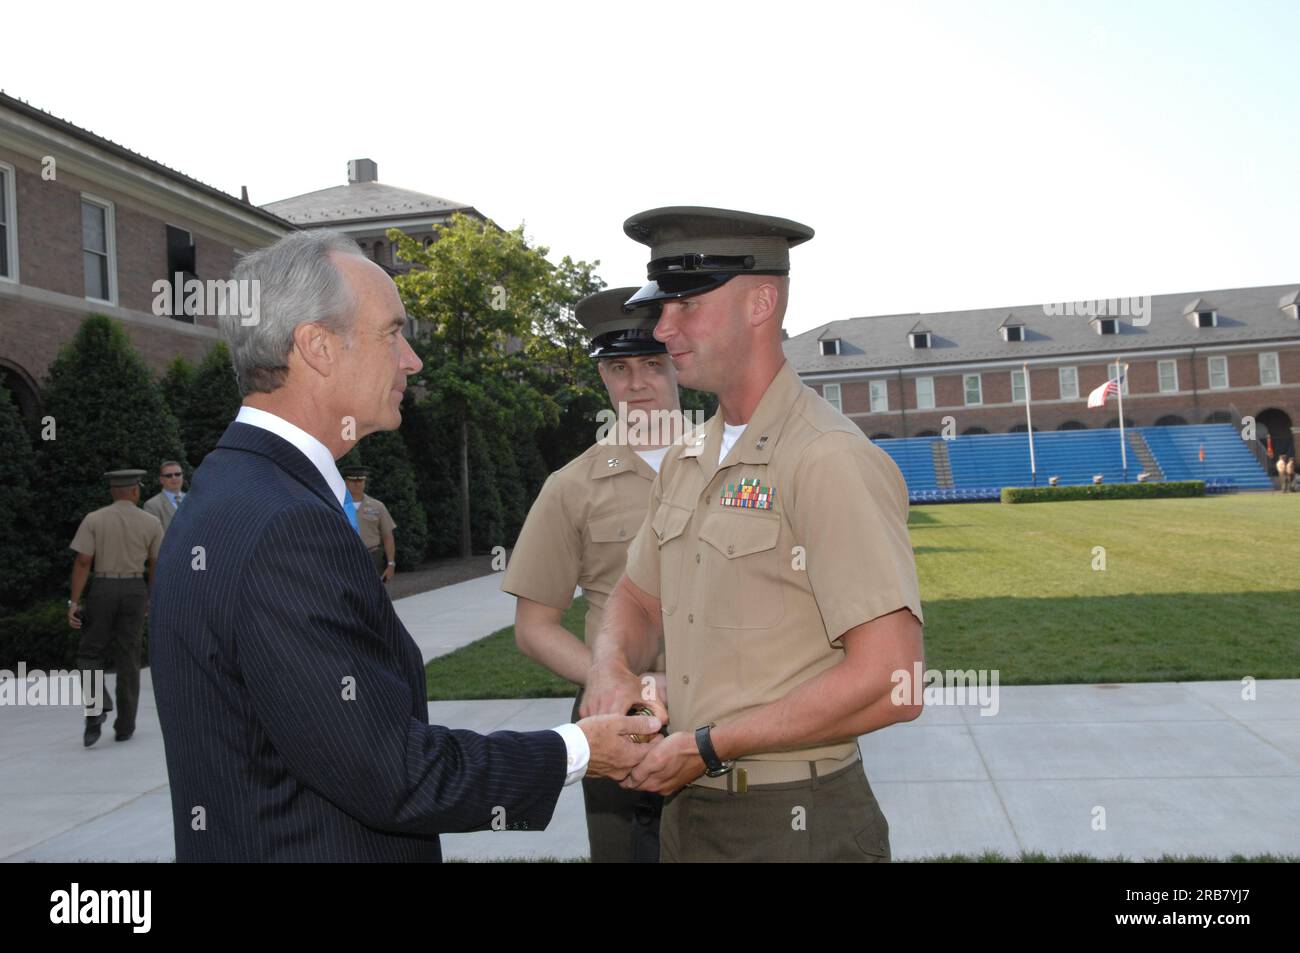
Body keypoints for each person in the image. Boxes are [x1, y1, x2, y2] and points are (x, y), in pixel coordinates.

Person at [149, 230, 659, 862]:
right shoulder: (284, 524)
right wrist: (581, 748)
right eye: (392, 334)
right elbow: (393, 772)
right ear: (317, 346)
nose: (412, 360)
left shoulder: (237, 487)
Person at [582, 207, 926, 862]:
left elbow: (893, 678)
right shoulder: (687, 458)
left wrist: (709, 743)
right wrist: (611, 666)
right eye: (661, 308)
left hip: (795, 820)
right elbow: (636, 597)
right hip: (689, 806)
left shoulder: (824, 457)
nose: (663, 328)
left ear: (761, 302)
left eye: (686, 306)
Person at [501, 286, 685, 862]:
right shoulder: (571, 488)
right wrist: (617, 683)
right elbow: (534, 626)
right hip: (620, 724)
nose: (637, 383)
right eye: (618, 367)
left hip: (728, 708)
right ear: (603, 377)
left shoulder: (734, 466)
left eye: (653, 363)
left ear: (679, 360)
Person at [67, 468, 163, 746]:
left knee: (89, 652)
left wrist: (74, 602)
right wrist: (150, 596)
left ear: (112, 491)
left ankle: (96, 708)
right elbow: (156, 563)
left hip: (103, 587)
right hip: (134, 588)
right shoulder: (151, 522)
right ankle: (125, 726)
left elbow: (84, 561)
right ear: (135, 491)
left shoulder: (94, 519)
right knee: (129, 656)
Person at [342, 465, 397, 581]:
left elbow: (387, 536)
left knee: (373, 594)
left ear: (365, 482)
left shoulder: (377, 506)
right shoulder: (338, 506)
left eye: (360, 480)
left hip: (372, 556)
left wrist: (391, 563)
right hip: (346, 557)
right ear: (346, 482)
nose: (357, 484)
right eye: (352, 481)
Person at [142, 460, 185, 533]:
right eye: (169, 475)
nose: (174, 478)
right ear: (161, 480)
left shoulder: (193, 500)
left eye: (177, 474)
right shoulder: (152, 505)